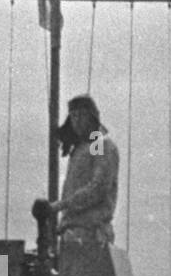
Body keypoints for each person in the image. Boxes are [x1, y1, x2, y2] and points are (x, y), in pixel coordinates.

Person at [34, 94, 120, 244]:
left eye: (82, 115)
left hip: (91, 233)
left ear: (92, 118)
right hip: (73, 233)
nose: (77, 121)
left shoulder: (98, 144)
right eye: (73, 116)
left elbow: (98, 187)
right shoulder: (80, 150)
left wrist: (58, 206)